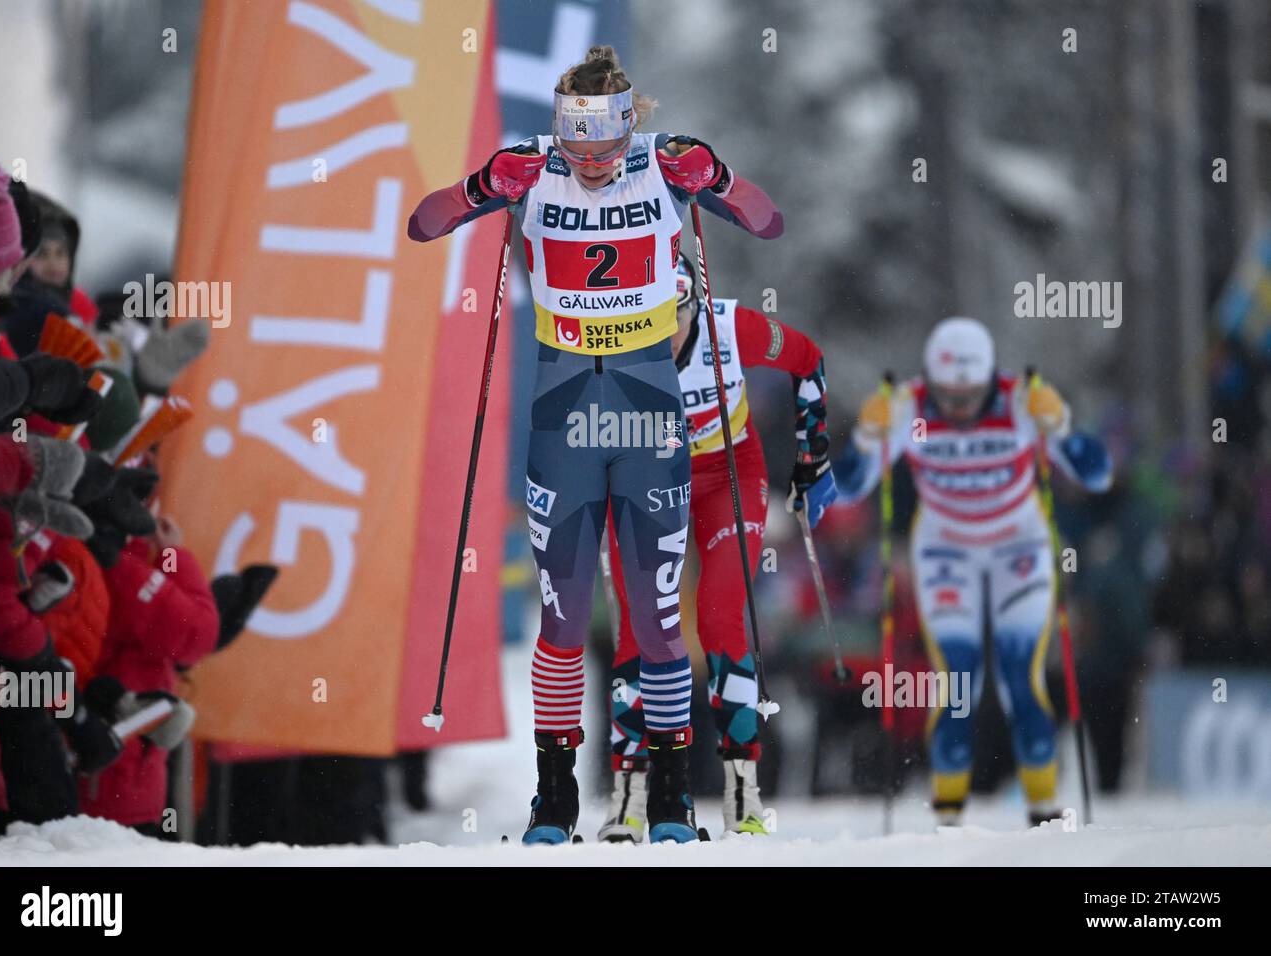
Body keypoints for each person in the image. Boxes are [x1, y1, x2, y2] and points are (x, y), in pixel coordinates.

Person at [409, 45, 782, 844]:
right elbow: (424, 222)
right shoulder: (529, 166)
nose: (589, 165)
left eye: (604, 149)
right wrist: (480, 188)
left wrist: (715, 179)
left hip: (650, 415)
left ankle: (675, 803)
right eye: (574, 148)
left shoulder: (663, 164)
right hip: (567, 414)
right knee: (563, 620)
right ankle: (554, 805)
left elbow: (766, 219)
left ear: (627, 129)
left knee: (655, 620)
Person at [831, 317, 1112, 826]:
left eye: (969, 397)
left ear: (988, 380)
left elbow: (1098, 473)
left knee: (1020, 677)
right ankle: (948, 816)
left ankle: (1043, 808)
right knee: (957, 679)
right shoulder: (910, 411)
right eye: (948, 397)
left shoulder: (1021, 403)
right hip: (947, 552)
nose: (958, 410)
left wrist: (1063, 426)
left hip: (1017, 547)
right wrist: (866, 440)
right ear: (929, 382)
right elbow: (847, 490)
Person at [598, 254, 834, 840]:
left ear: (693, 306)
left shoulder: (733, 326)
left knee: (722, 615)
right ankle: (630, 797)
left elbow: (808, 359)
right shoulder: (612, 341)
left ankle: (742, 795)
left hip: (729, 473)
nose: (663, 332)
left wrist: (812, 454)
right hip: (647, 478)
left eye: (673, 316)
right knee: (641, 622)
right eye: (648, 318)